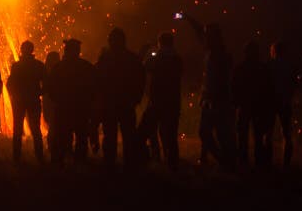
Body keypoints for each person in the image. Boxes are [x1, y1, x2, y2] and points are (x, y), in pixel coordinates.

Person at [181, 14, 236, 170]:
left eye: (207, 34)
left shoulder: (220, 55)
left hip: (217, 101)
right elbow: (200, 32)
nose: (204, 37)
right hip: (210, 99)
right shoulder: (212, 51)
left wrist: (212, 97)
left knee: (213, 133)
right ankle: (222, 160)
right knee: (208, 132)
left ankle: (226, 161)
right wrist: (190, 19)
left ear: (213, 36)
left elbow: (221, 80)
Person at [96, 28, 145, 169]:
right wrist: (136, 99)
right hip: (125, 103)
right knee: (127, 135)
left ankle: (110, 163)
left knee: (111, 135)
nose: (110, 41)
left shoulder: (105, 58)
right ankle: (129, 164)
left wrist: (100, 100)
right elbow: (140, 81)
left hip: (113, 103)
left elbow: (98, 80)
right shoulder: (132, 58)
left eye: (111, 39)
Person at [137, 32, 183, 170]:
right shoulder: (177, 59)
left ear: (160, 43)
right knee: (170, 134)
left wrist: (145, 50)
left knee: (143, 132)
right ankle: (172, 164)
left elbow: (142, 66)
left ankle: (147, 158)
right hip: (173, 102)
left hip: (157, 102)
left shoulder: (158, 58)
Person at [47, 38, 97, 166]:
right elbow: (94, 88)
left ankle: (60, 163)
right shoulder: (87, 67)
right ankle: (79, 162)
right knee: (81, 137)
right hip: (81, 109)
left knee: (63, 136)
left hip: (64, 108)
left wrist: (58, 101)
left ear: (67, 51)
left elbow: (50, 88)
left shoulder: (58, 68)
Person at [232, 40, 273, 168]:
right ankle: (257, 161)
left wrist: (235, 103)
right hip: (257, 106)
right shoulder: (262, 68)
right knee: (257, 135)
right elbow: (267, 87)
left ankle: (244, 160)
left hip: (246, 105)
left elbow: (234, 86)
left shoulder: (241, 67)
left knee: (243, 135)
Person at [6, 40, 45, 164]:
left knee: (17, 129)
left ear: (22, 50)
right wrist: (39, 93)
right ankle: (39, 157)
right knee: (36, 129)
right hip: (33, 100)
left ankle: (16, 157)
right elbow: (47, 82)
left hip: (20, 101)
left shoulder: (17, 66)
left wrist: (14, 95)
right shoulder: (38, 65)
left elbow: (10, 84)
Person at [267, 40, 296, 167]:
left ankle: (268, 161)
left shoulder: (269, 65)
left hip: (271, 102)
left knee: (268, 133)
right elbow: (293, 84)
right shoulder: (289, 66)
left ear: (273, 52)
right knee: (286, 134)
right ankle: (286, 163)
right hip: (285, 101)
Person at [42, 51, 60, 154]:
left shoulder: (46, 70)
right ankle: (54, 147)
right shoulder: (59, 69)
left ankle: (53, 147)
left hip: (52, 101)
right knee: (54, 125)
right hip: (53, 101)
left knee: (53, 125)